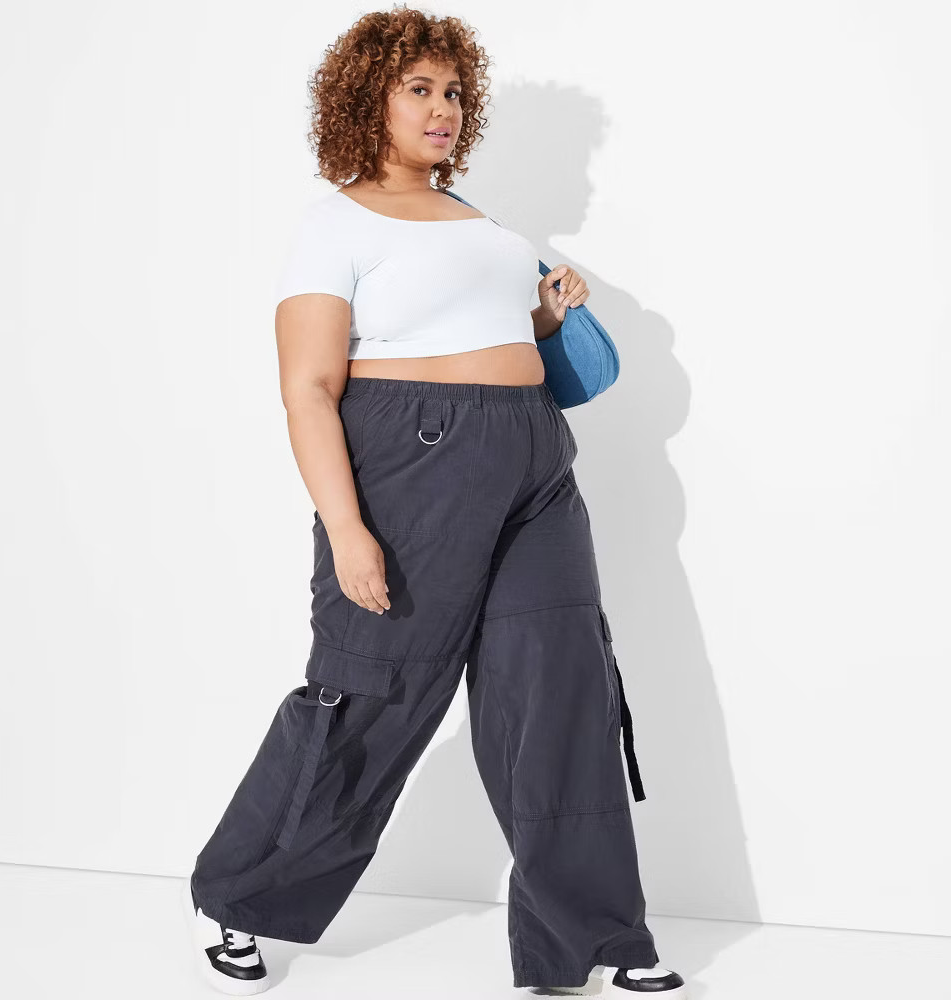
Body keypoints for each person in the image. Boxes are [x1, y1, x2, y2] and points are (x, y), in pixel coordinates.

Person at [183, 8, 688, 998]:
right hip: (412, 468)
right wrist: (346, 528)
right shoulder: (336, 223)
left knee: (560, 694)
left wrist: (544, 317)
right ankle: (242, 899)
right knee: (372, 689)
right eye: (418, 88)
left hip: (536, 463)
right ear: (365, 98)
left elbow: (504, 343)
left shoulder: (483, 223)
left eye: (453, 91)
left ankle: (592, 939)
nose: (442, 108)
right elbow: (308, 389)